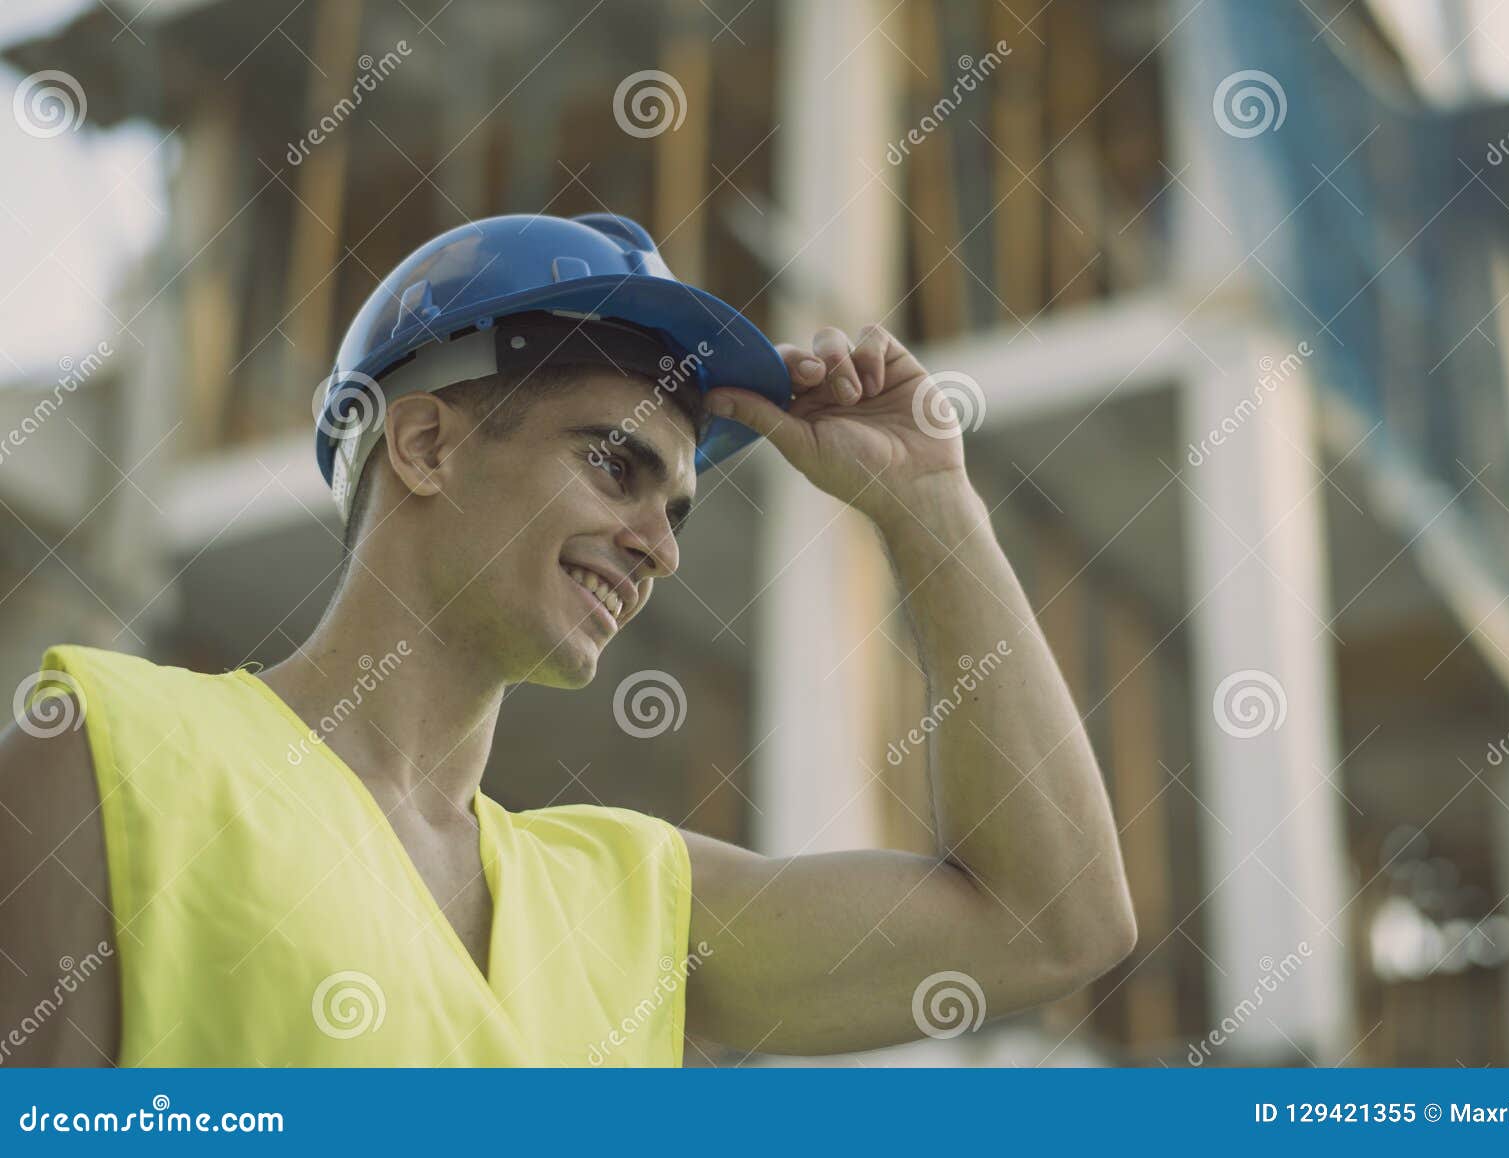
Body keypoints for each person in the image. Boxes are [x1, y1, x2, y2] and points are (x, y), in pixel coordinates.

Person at [0, 213, 1135, 1066]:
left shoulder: (629, 896)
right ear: (429, 445)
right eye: (612, 464)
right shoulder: (111, 752)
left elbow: (1051, 921)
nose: (661, 547)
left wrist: (928, 508)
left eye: (678, 508)